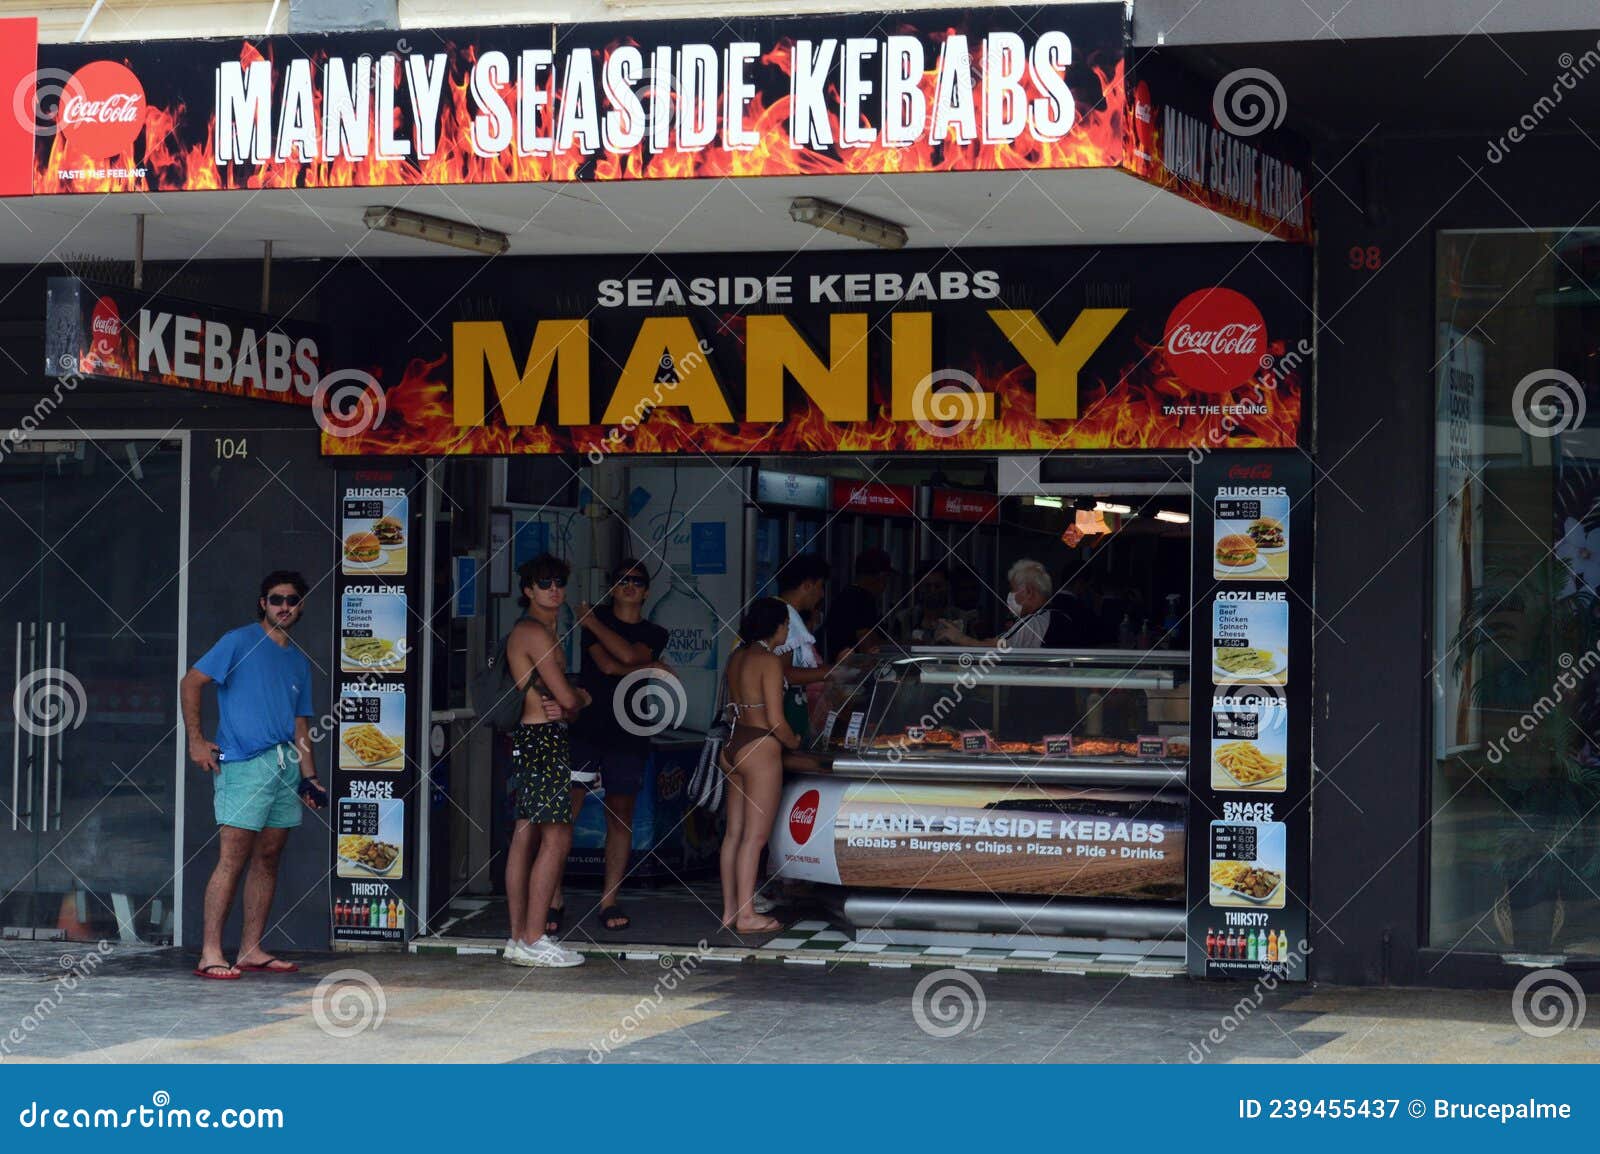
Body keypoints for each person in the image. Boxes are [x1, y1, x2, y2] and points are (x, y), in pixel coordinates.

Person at [182, 570, 327, 980]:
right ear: (263, 602)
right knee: (233, 856)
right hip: (244, 764)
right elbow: (191, 683)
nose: (285, 606)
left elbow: (301, 725)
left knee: (268, 856)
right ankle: (210, 951)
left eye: (293, 599)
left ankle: (250, 948)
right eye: (277, 599)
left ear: (301, 605)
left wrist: (309, 776)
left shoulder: (298, 660)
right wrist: (196, 740)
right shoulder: (238, 642)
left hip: (284, 765)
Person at [564, 558, 670, 933]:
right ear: (612, 586)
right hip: (588, 727)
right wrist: (652, 669)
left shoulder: (654, 631)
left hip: (629, 730)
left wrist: (590, 620)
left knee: (620, 814)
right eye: (622, 580)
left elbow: (626, 657)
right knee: (568, 812)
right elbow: (609, 667)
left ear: (647, 589)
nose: (629, 586)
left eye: (637, 581)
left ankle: (609, 899)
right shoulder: (602, 623)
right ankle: (553, 896)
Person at [502, 554, 591, 968]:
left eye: (559, 581)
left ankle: (519, 937)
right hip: (540, 739)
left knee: (526, 836)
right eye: (544, 583)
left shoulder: (541, 630)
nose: (553, 589)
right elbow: (570, 698)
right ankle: (534, 938)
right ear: (527, 590)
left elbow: (566, 699)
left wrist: (572, 702)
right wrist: (580, 699)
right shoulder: (534, 633)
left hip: (530, 738)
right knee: (555, 837)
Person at [718, 598, 800, 934]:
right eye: (786, 625)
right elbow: (777, 721)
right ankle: (748, 915)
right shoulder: (769, 660)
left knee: (734, 835)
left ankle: (729, 912)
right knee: (755, 837)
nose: (788, 631)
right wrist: (796, 743)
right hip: (760, 746)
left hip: (732, 745)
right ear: (778, 625)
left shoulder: (737, 656)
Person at [937, 559, 1056, 649]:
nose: (1010, 595)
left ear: (1029, 592)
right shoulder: (1053, 616)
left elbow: (995, 649)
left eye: (1013, 590)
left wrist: (959, 638)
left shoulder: (1033, 622)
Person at [825, 547, 895, 658]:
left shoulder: (845, 595)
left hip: (840, 666)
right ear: (880, 577)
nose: (885, 585)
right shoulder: (863, 599)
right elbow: (867, 645)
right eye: (886, 578)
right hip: (854, 669)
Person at [902, 562, 978, 645]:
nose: (933, 591)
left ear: (947, 587)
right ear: (919, 588)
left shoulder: (962, 618)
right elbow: (892, 649)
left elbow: (972, 651)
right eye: (927, 586)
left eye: (938, 586)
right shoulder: (904, 619)